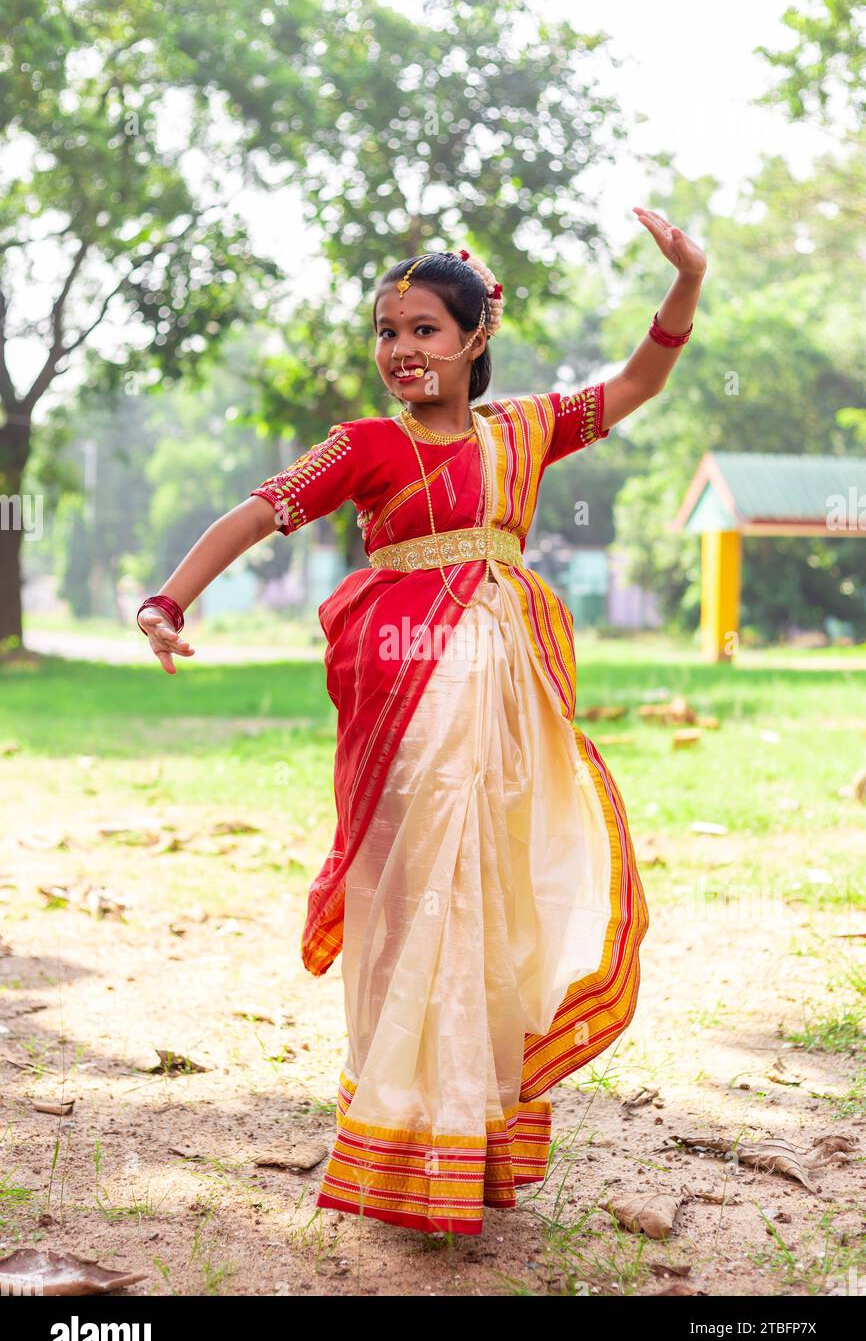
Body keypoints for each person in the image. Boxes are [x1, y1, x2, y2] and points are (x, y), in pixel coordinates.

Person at [137, 208, 707, 1235]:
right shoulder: (363, 446)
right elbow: (254, 511)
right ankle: (402, 1120)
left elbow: (636, 384)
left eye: (423, 331)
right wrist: (167, 599)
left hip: (507, 702)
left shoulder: (525, 432)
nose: (400, 350)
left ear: (474, 336)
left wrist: (685, 282)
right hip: (402, 702)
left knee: (492, 895)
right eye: (386, 331)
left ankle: (474, 1122)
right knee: (410, 896)